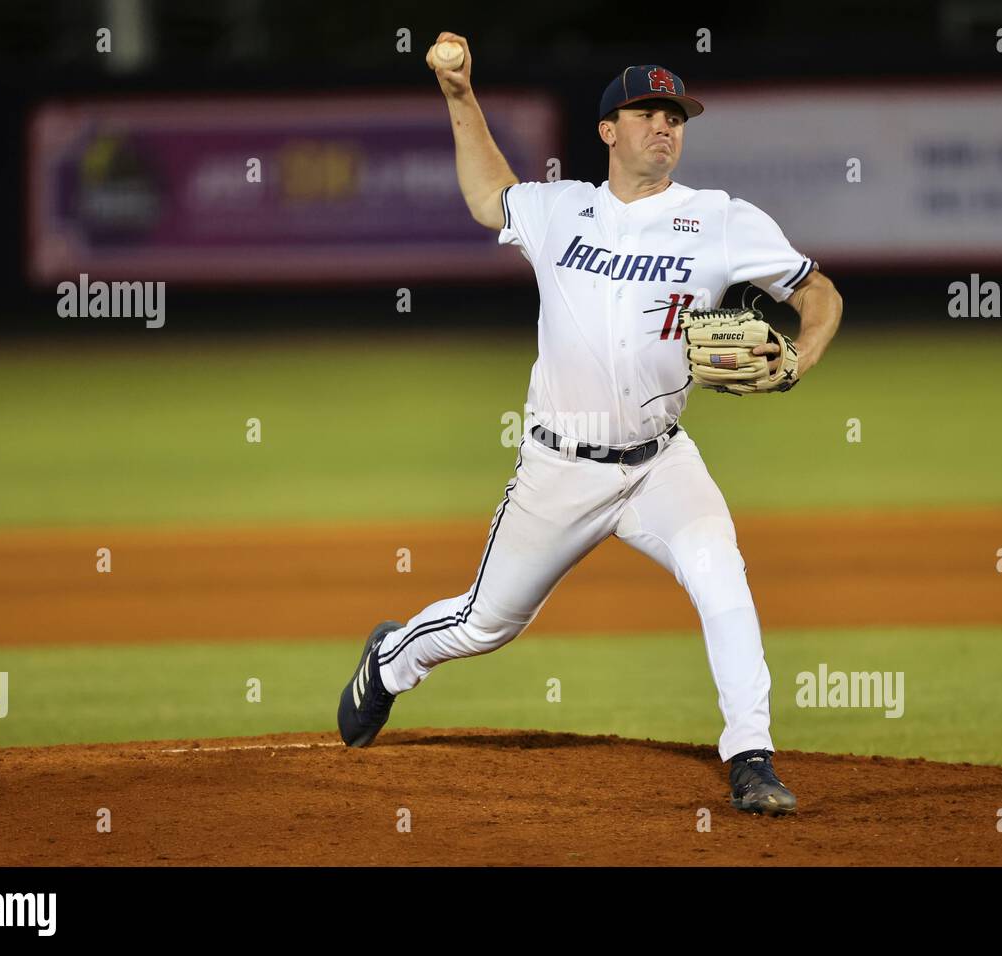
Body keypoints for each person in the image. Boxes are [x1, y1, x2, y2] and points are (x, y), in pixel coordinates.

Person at [339, 33, 843, 815]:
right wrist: (459, 96)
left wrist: (801, 358)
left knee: (724, 582)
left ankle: (751, 757)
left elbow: (820, 295)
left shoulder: (720, 219)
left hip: (661, 463)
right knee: (485, 623)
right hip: (558, 466)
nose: (665, 127)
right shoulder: (559, 207)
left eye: (676, 116)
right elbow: (486, 197)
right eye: (647, 113)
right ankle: (391, 660)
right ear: (608, 130)